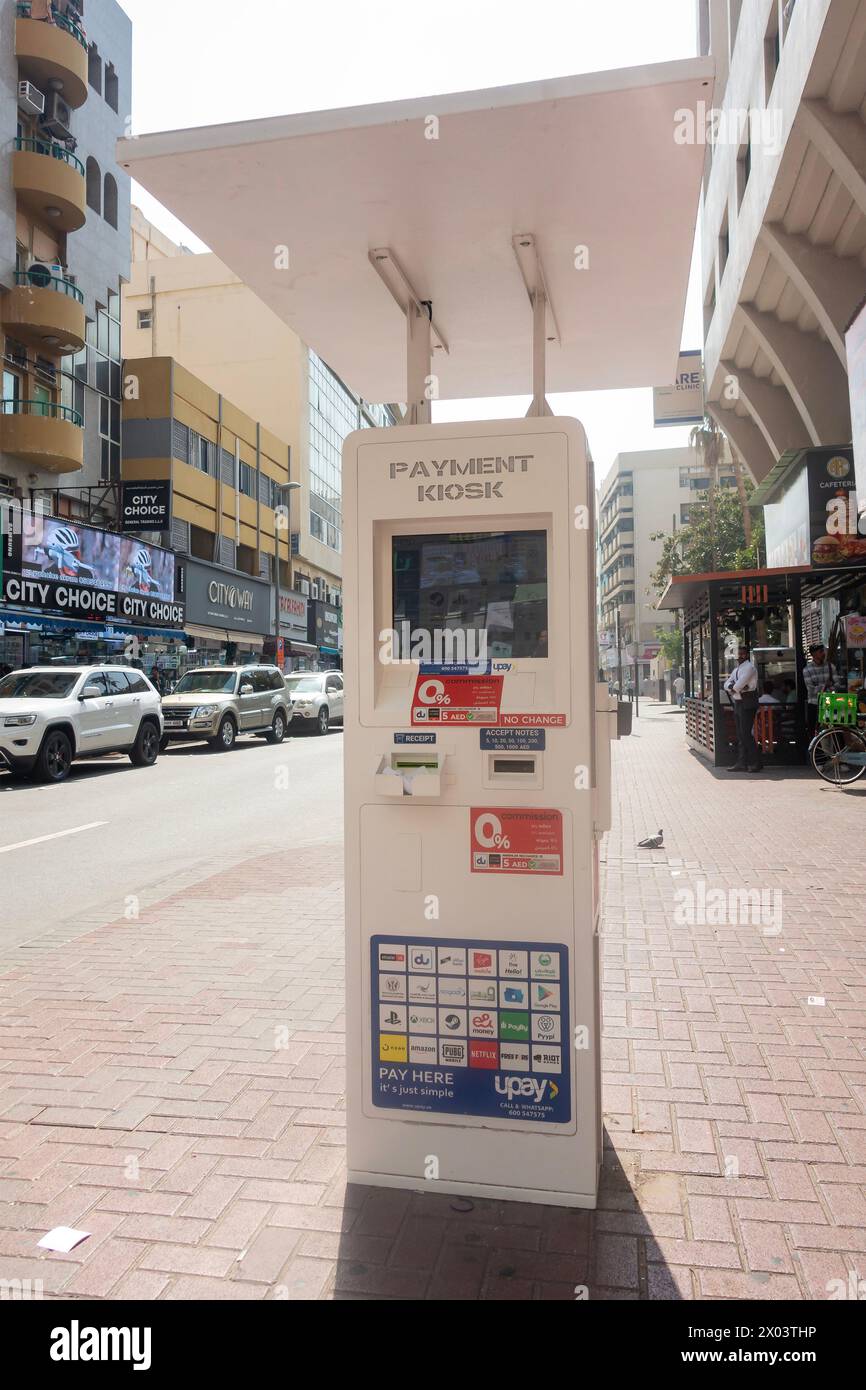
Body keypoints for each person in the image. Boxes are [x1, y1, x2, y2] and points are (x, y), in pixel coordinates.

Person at [724, 643, 762, 772]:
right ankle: (741, 762)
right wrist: (734, 687)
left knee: (746, 734)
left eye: (742, 654)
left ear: (747, 655)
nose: (739, 656)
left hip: (748, 702)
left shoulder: (749, 668)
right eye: (738, 654)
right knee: (740, 734)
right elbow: (727, 684)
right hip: (739, 702)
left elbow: (738, 686)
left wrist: (735, 688)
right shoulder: (736, 669)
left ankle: (756, 763)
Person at [803, 643, 836, 739]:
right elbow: (811, 689)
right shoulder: (807, 669)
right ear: (813, 654)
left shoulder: (830, 667)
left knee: (830, 731)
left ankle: (830, 752)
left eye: (823, 651)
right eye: (821, 652)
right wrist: (826, 685)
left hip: (829, 703)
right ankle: (815, 752)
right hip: (814, 704)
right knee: (814, 731)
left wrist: (821, 687)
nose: (823, 654)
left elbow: (837, 685)